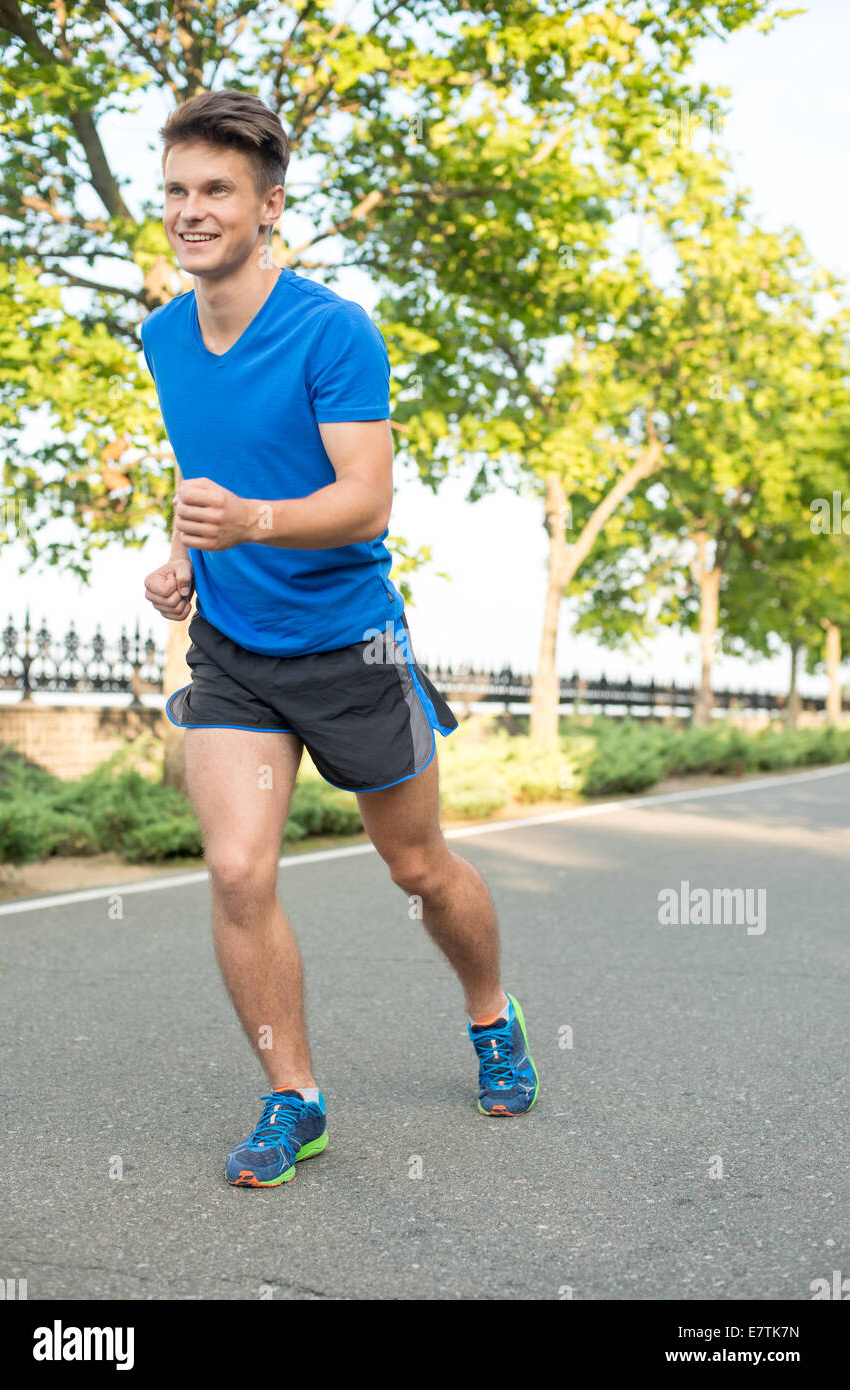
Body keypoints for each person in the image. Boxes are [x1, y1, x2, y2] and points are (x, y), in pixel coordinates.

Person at [141, 90, 538, 1189]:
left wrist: (253, 521)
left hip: (350, 642)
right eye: (175, 189)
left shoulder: (331, 330)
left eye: (216, 190)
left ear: (268, 206)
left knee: (417, 865)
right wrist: (187, 555)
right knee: (235, 868)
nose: (190, 210)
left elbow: (367, 501)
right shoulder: (165, 335)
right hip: (234, 649)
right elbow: (209, 473)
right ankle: (294, 1099)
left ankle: (492, 1014)